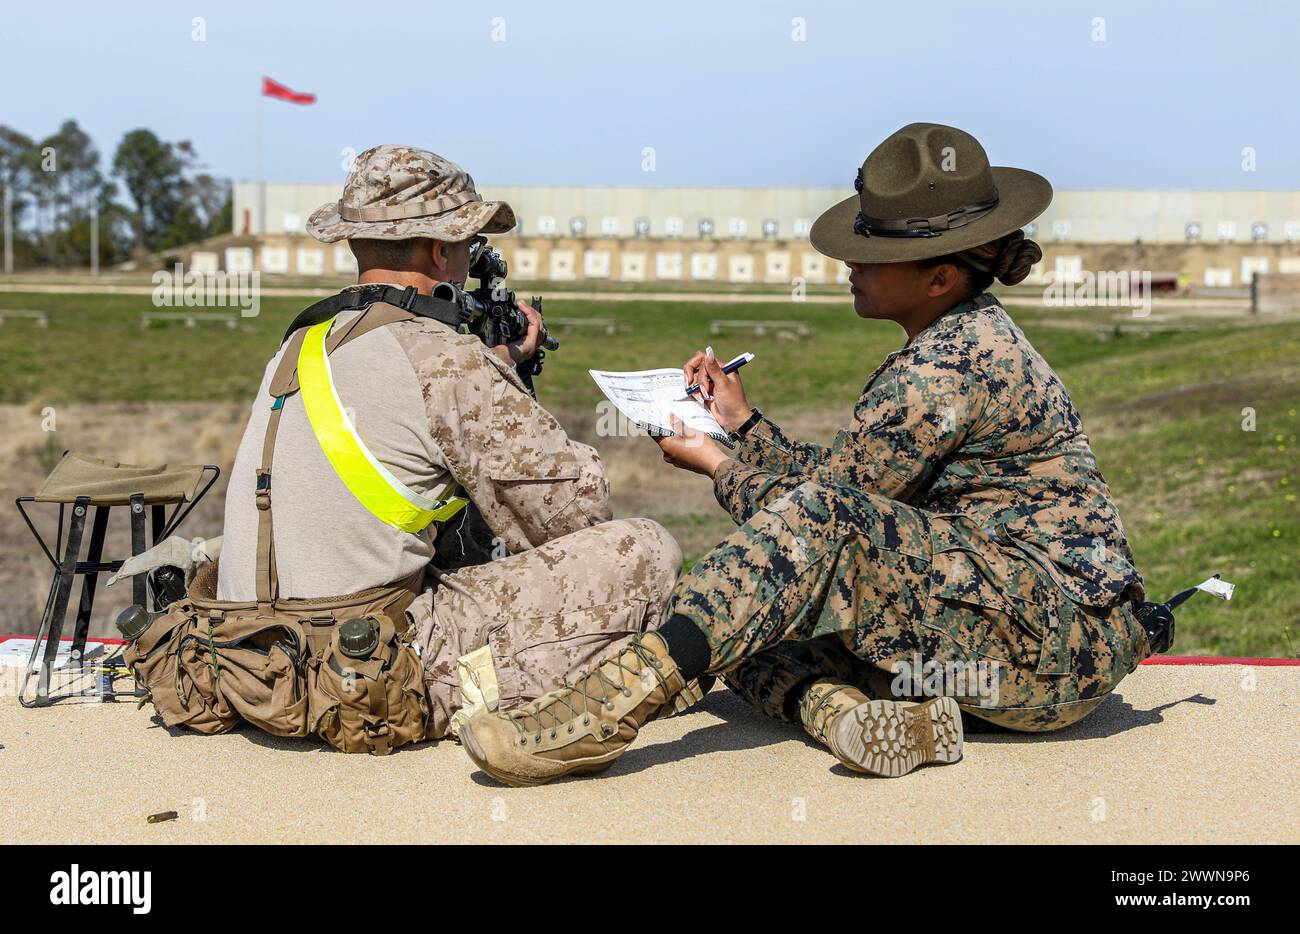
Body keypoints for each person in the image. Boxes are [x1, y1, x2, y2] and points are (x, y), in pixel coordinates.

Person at [459, 123, 1168, 786]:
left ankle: (596, 717)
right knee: (739, 622)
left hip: (1052, 649)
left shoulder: (945, 373)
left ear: (939, 278)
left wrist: (718, 464)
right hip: (1005, 642)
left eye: (873, 254)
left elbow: (823, 518)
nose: (850, 264)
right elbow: (846, 487)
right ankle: (847, 715)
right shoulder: (960, 340)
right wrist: (743, 422)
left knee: (757, 586)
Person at [210, 145, 683, 743]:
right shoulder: (449, 363)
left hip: (250, 657)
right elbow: (576, 518)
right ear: (440, 249)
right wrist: (504, 382)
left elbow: (401, 412)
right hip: (362, 672)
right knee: (646, 551)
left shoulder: (298, 344)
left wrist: (492, 366)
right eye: (467, 243)